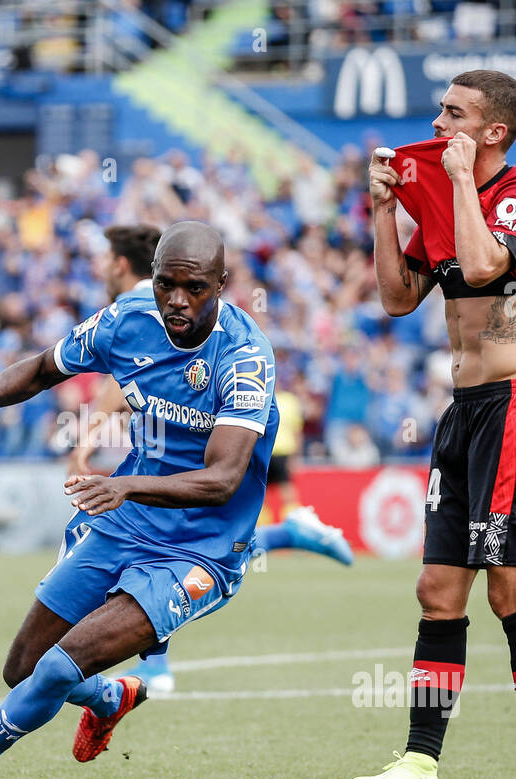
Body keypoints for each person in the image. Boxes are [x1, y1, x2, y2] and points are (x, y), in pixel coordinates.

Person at [0, 221, 277, 779]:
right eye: (165, 284)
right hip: (129, 522)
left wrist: (125, 484)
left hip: (201, 548)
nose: (177, 300)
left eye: (195, 288)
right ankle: (108, 699)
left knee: (56, 668)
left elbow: (221, 479)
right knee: (22, 668)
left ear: (222, 286)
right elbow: (46, 367)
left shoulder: (244, 357)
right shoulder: (127, 321)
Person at [351, 71, 516, 779]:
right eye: (441, 109)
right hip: (464, 412)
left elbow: (483, 268)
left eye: (455, 113)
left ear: (493, 132)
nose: (438, 121)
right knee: (437, 589)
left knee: (513, 591)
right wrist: (386, 211)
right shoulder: (442, 200)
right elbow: (395, 298)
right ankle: (419, 767)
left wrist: (450, 182)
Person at [70, 224, 353, 693]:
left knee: (161, 541)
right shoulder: (163, 300)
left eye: (104, 261)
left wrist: (86, 440)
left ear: (120, 265)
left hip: (197, 446)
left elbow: (119, 383)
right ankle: (287, 533)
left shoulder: (151, 306)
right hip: (180, 445)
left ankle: (142, 669)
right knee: (166, 543)